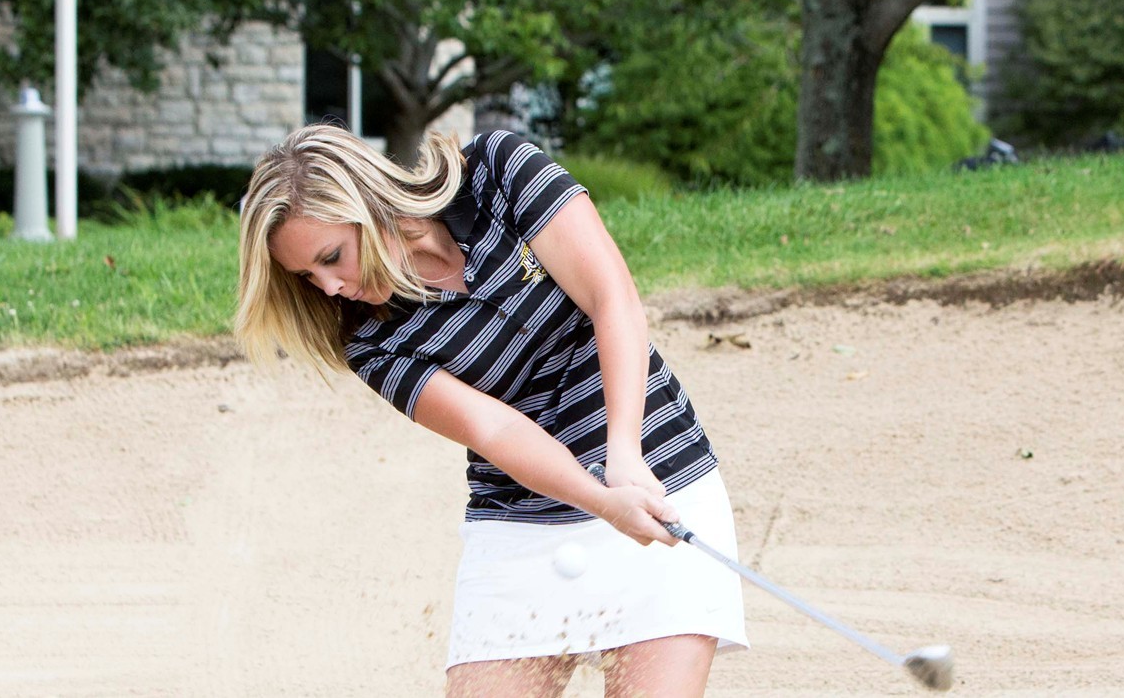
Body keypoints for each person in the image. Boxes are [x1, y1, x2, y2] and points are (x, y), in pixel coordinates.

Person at [234, 124, 746, 696]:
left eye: (332, 257)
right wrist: (603, 498)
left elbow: (611, 297)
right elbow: (494, 427)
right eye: (308, 275)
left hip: (660, 481)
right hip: (520, 520)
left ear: (369, 202)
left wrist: (624, 452)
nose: (329, 287)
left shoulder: (494, 174)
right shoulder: (367, 337)